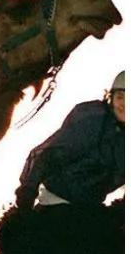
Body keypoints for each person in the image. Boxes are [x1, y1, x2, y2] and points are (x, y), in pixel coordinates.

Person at [15, 70, 125, 208]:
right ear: (111, 97)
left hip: (91, 208)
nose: (124, 104)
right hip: (57, 202)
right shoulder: (94, 120)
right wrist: (28, 191)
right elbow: (50, 154)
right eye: (120, 97)